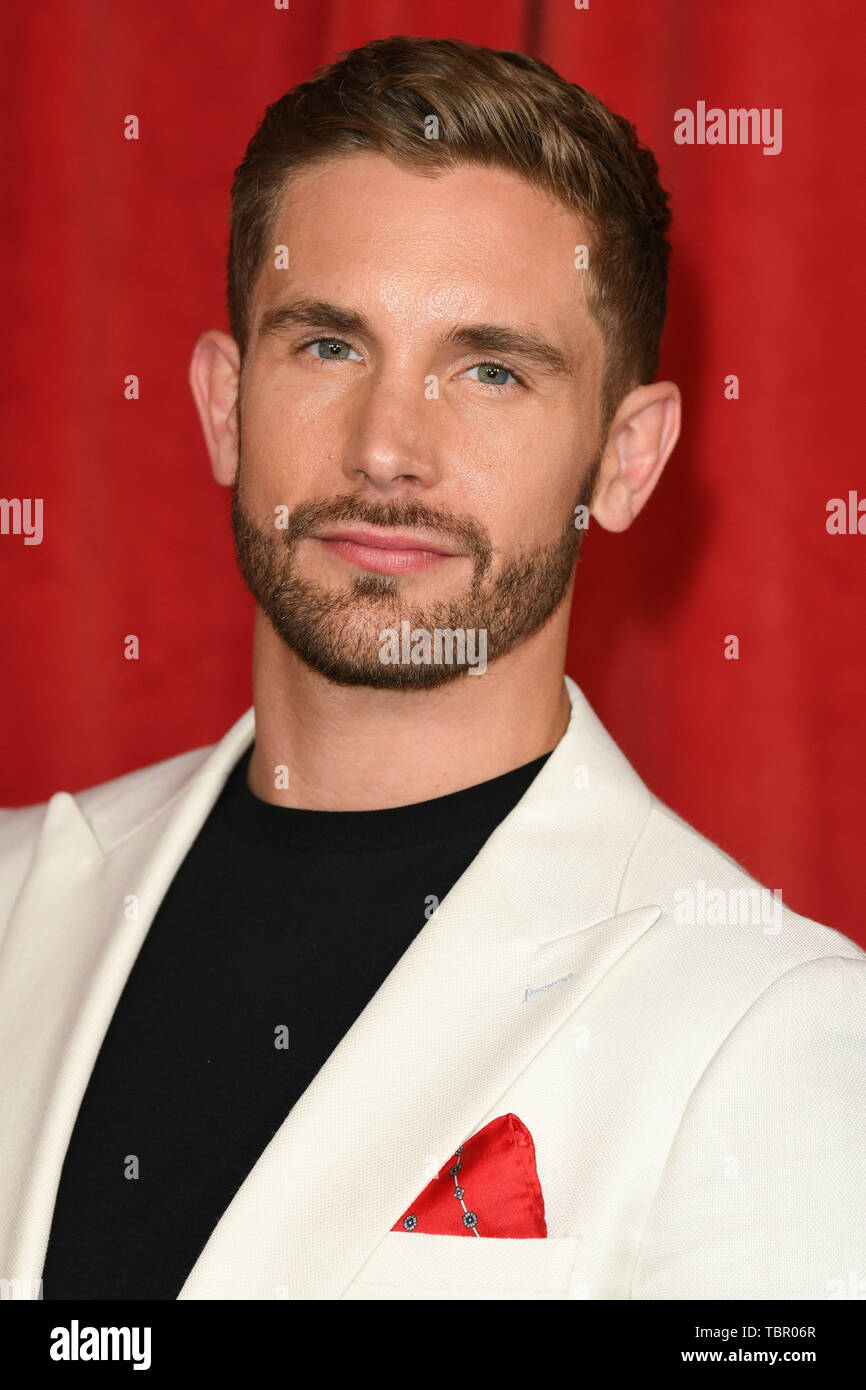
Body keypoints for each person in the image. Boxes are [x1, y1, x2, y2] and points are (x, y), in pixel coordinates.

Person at [1, 35, 863, 1302]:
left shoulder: (774, 1027)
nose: (388, 448)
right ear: (223, 405)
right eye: (330, 347)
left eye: (492, 370)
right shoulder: (19, 895)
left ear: (626, 460)